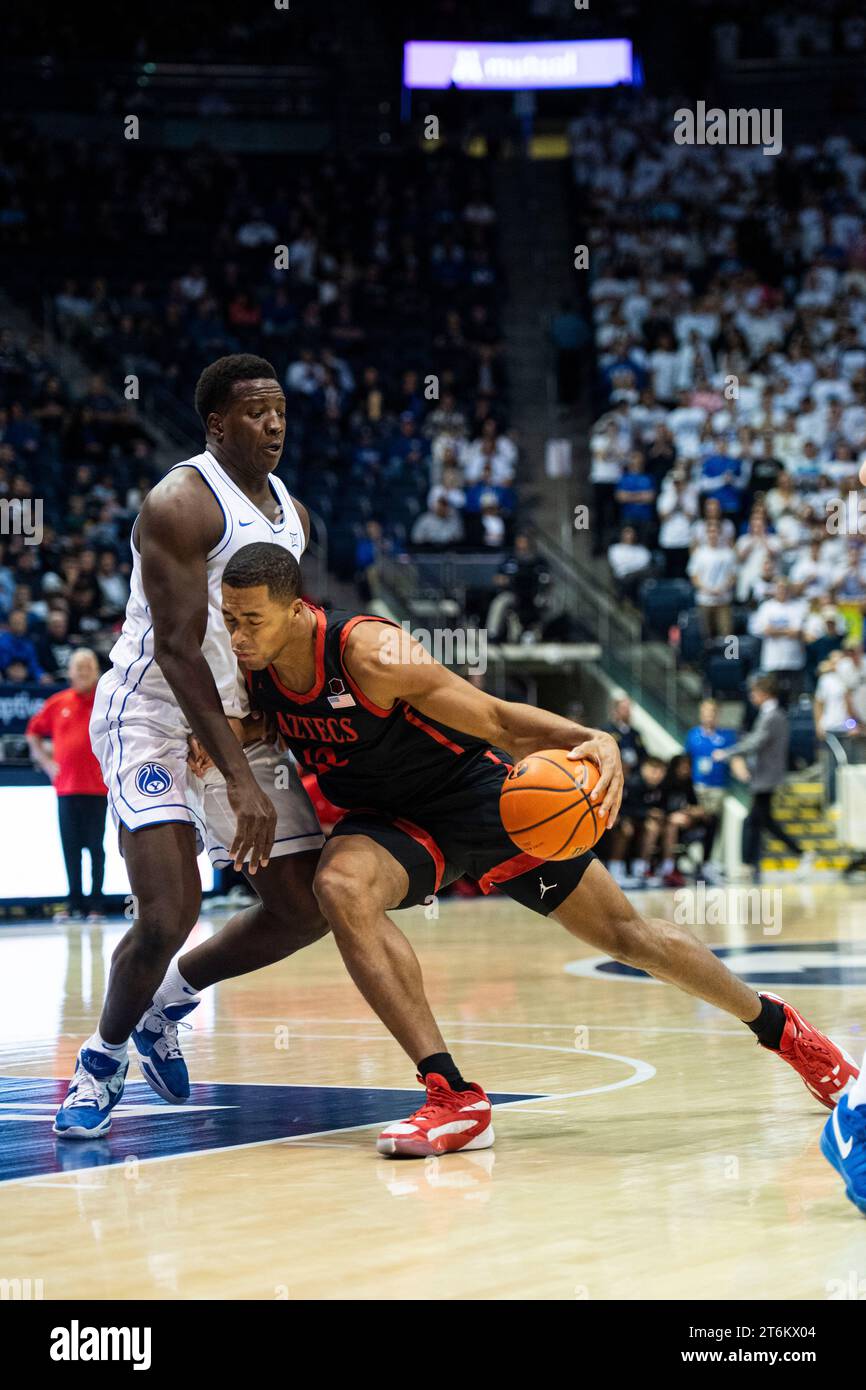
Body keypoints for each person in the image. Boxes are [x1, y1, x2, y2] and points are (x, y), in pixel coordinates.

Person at [198, 541, 856, 1157]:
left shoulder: (371, 653)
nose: (237, 636)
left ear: (298, 607)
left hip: (477, 798)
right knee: (339, 887)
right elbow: (268, 720)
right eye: (230, 619)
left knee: (629, 937)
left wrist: (589, 736)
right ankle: (452, 1095)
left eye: (252, 620)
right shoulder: (251, 668)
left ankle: (779, 1028)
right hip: (392, 821)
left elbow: (493, 719)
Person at [54, 355, 327, 1139]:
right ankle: (102, 1060)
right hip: (149, 714)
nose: (273, 424)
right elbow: (177, 650)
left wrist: (259, 727)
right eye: (255, 412)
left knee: (305, 907)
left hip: (233, 722)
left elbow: (274, 638)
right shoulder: (180, 502)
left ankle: (168, 1003)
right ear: (217, 423)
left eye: (280, 410)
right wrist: (239, 777)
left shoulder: (293, 516)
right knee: (171, 910)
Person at [26, 649, 108, 921]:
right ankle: (74, 904)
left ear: (96, 672)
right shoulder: (57, 702)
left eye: (88, 667)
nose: (83, 672)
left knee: (96, 848)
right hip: (66, 788)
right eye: (78, 667)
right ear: (70, 671)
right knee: (71, 848)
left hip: (97, 789)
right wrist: (47, 763)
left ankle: (96, 905)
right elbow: (33, 733)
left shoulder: (105, 702)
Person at [713, 674, 811, 882]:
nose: (751, 696)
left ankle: (749, 864)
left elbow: (755, 742)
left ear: (764, 692)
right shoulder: (770, 714)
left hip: (767, 776)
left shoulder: (773, 715)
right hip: (764, 775)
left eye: (754, 692)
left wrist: (728, 753)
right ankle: (760, 862)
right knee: (761, 821)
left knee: (754, 821)